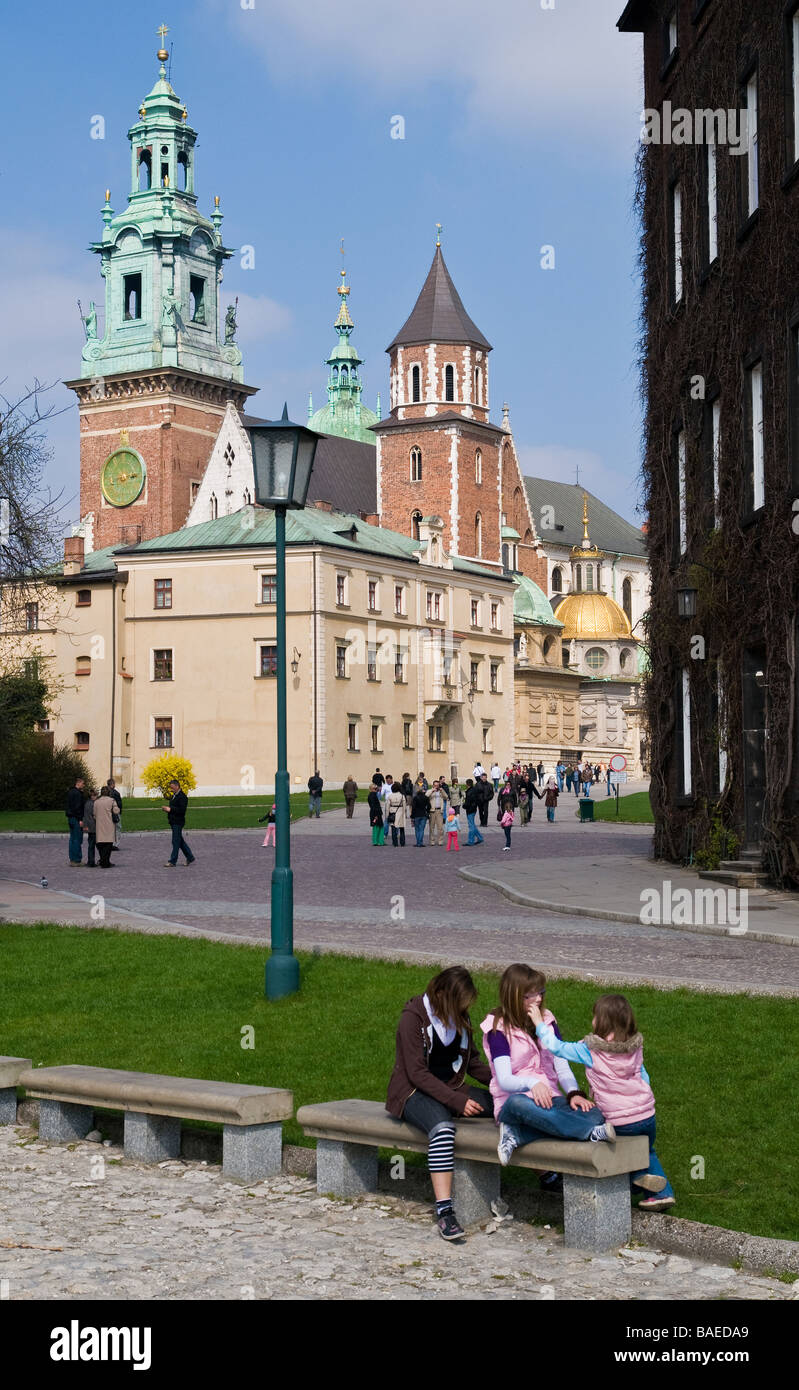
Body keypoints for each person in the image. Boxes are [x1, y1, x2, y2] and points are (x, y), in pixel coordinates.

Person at [530, 992, 674, 1209]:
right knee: (647, 1151)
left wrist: (539, 1024)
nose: (593, 1020)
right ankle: (661, 1192)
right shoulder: (635, 1047)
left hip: (620, 1120)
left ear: (602, 1022)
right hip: (647, 1116)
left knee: (603, 1142)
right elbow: (644, 1076)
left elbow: (556, 1047)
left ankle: (631, 1181)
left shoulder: (590, 1050)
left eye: (595, 1017)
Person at [386, 965, 494, 1241]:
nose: (462, 1009)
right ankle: (445, 1212)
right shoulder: (413, 1018)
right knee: (443, 1128)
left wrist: (504, 1083)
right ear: (442, 994)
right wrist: (456, 1101)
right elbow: (416, 1073)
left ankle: (547, 1175)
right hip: (413, 1093)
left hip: (450, 1087)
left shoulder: (459, 1015)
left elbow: (472, 1063)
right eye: (458, 1003)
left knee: (508, 1105)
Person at [480, 964, 612, 1170]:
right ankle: (588, 1132)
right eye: (531, 995)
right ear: (514, 996)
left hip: (550, 1099)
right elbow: (504, 1080)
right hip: (516, 1102)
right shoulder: (497, 1028)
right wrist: (532, 1084)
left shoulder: (547, 1020)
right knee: (518, 1104)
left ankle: (519, 1134)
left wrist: (574, 1093)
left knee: (595, 1114)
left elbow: (561, 1065)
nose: (539, 999)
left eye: (540, 992)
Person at [164, 779, 195, 866]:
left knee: (175, 841)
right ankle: (190, 857)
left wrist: (170, 809)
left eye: (172, 788)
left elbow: (182, 810)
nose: (171, 789)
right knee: (179, 841)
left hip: (178, 822)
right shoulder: (174, 795)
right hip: (173, 821)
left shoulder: (183, 797)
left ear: (177, 786)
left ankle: (172, 861)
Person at [94, 786, 117, 868]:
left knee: (101, 844)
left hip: (99, 825)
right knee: (108, 844)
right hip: (109, 824)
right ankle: (106, 861)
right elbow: (116, 811)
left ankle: (103, 860)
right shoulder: (111, 801)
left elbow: (94, 814)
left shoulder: (96, 802)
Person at [65, 777, 85, 866]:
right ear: (78, 783)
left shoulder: (70, 792)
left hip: (70, 817)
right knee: (77, 839)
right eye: (83, 783)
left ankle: (72, 858)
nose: (83, 785)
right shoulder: (78, 794)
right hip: (76, 818)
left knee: (72, 839)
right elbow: (78, 808)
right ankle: (77, 860)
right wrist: (80, 819)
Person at [463, 778, 484, 845]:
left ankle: (470, 841)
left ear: (467, 784)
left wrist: (464, 806)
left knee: (471, 826)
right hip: (473, 809)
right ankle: (480, 837)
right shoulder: (474, 790)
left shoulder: (470, 791)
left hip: (470, 809)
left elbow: (468, 801)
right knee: (472, 825)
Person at [386, 780, 406, 847]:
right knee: (402, 829)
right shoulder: (402, 796)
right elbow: (404, 807)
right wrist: (404, 814)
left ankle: (395, 843)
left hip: (393, 813)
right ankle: (402, 842)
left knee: (393, 829)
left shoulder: (390, 796)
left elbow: (387, 807)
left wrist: (387, 816)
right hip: (400, 812)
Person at [428, 779, 448, 846]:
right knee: (431, 827)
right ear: (433, 785)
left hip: (439, 810)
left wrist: (442, 791)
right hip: (432, 811)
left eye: (437, 785)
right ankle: (432, 841)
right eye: (435, 785)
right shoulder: (430, 791)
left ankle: (440, 841)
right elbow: (426, 795)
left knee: (440, 827)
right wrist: (432, 790)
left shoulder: (441, 791)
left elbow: (446, 797)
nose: (436, 787)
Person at [82, 789, 98, 867]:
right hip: (94, 826)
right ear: (92, 796)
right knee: (96, 845)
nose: (96, 797)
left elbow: (85, 816)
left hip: (89, 826)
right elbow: (95, 816)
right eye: (95, 795)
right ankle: (92, 861)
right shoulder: (93, 804)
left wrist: (85, 826)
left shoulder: (86, 803)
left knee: (90, 845)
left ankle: (90, 861)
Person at [107, 777, 123, 849]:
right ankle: (115, 844)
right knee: (117, 828)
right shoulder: (115, 793)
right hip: (115, 813)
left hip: (107, 813)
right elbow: (119, 805)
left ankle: (109, 843)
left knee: (109, 828)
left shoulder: (105, 792)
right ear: (112, 784)